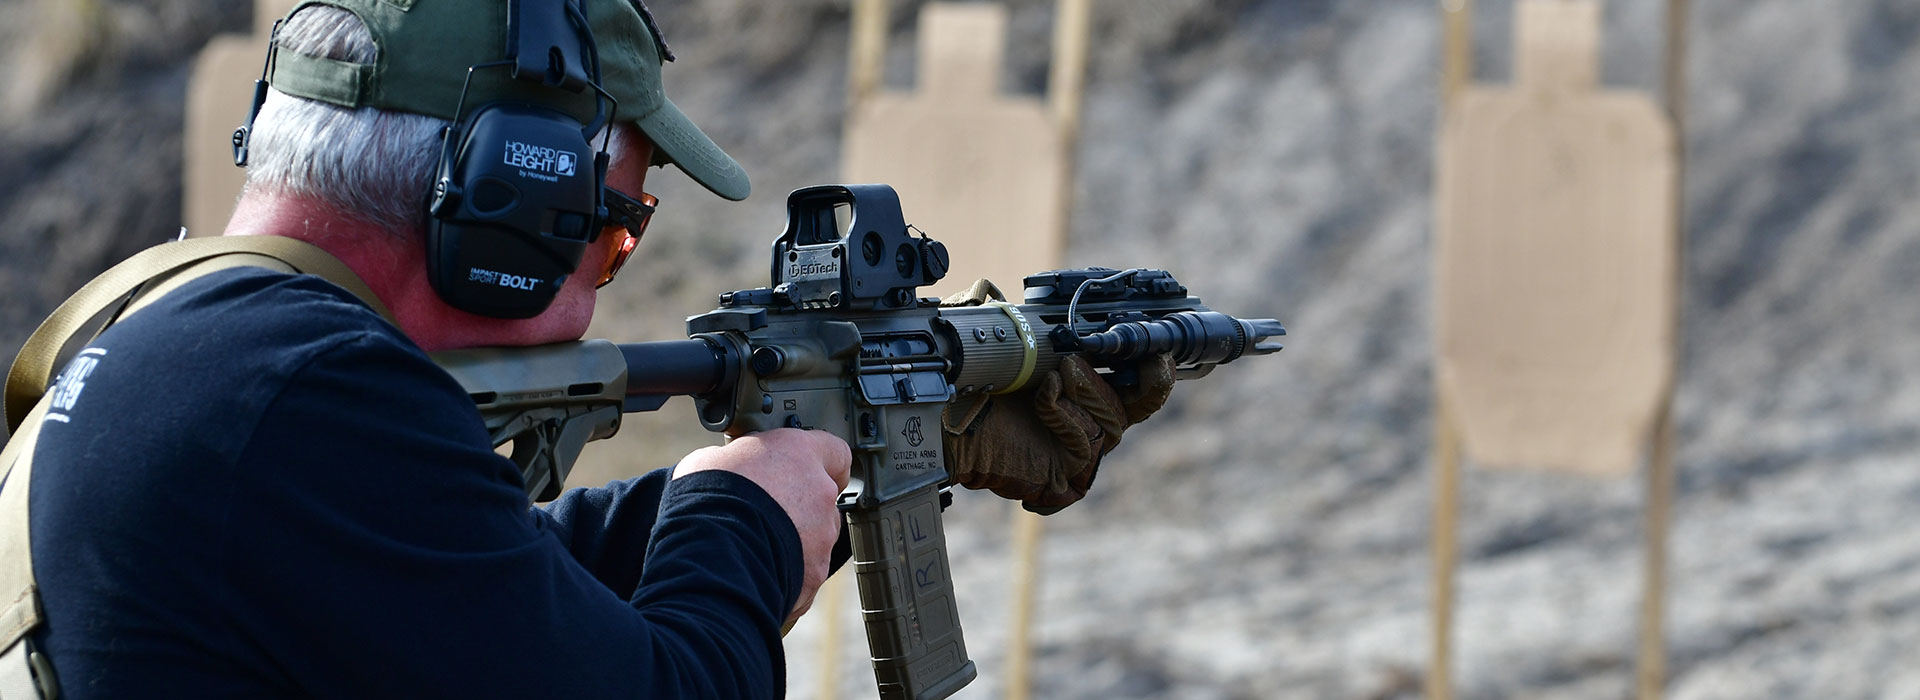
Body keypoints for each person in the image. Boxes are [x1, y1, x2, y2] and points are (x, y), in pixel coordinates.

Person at [8, 0, 1168, 697]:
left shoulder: (177, 335)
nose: (595, 299)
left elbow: (460, 584)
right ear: (504, 201)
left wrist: (796, 458)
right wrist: (745, 526)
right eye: (612, 234)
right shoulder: (307, 393)